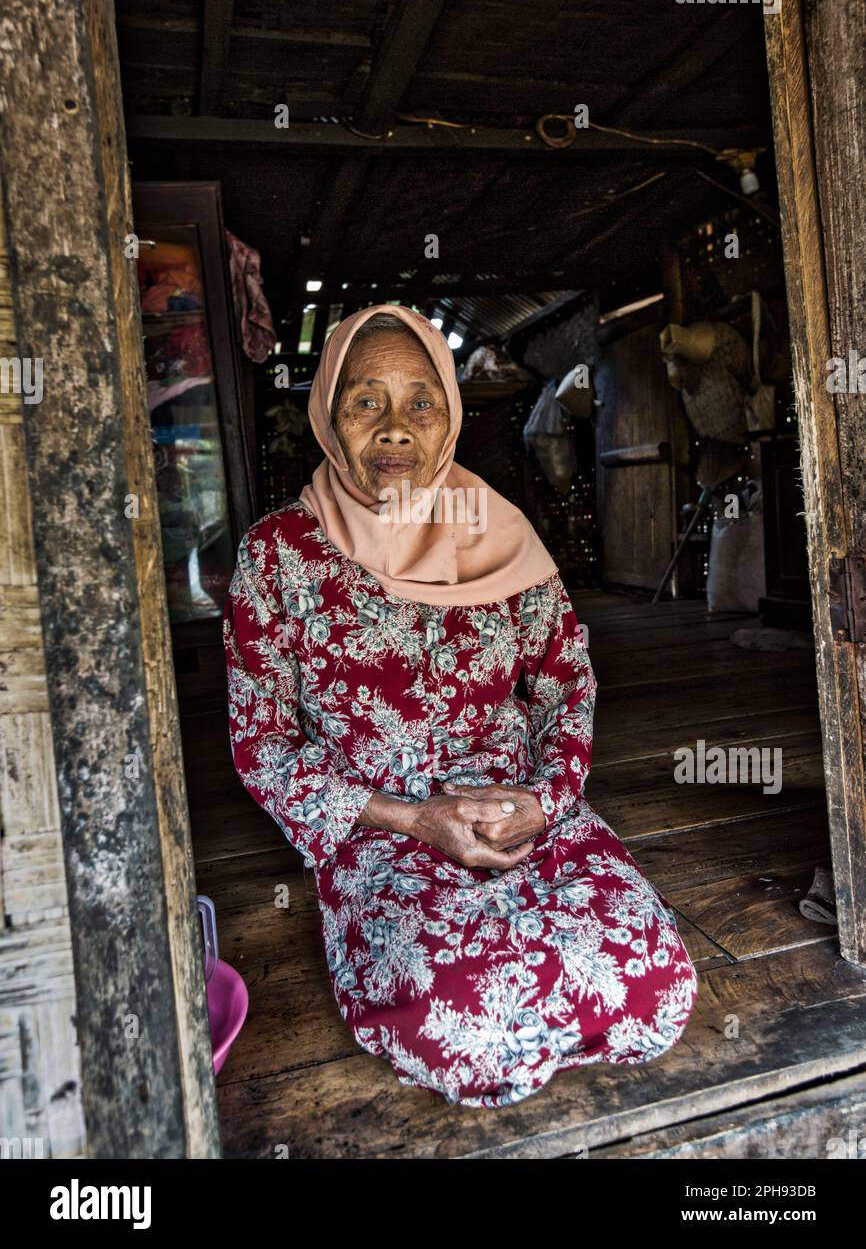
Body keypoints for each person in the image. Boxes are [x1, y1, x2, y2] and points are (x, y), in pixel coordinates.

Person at [222, 303, 698, 1108]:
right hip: (380, 819)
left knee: (653, 989)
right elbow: (262, 742)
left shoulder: (498, 530)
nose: (396, 428)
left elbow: (564, 682)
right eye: (365, 400)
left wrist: (546, 798)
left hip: (522, 805)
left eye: (422, 402)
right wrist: (410, 819)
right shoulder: (278, 556)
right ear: (329, 418)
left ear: (449, 419)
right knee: (466, 1018)